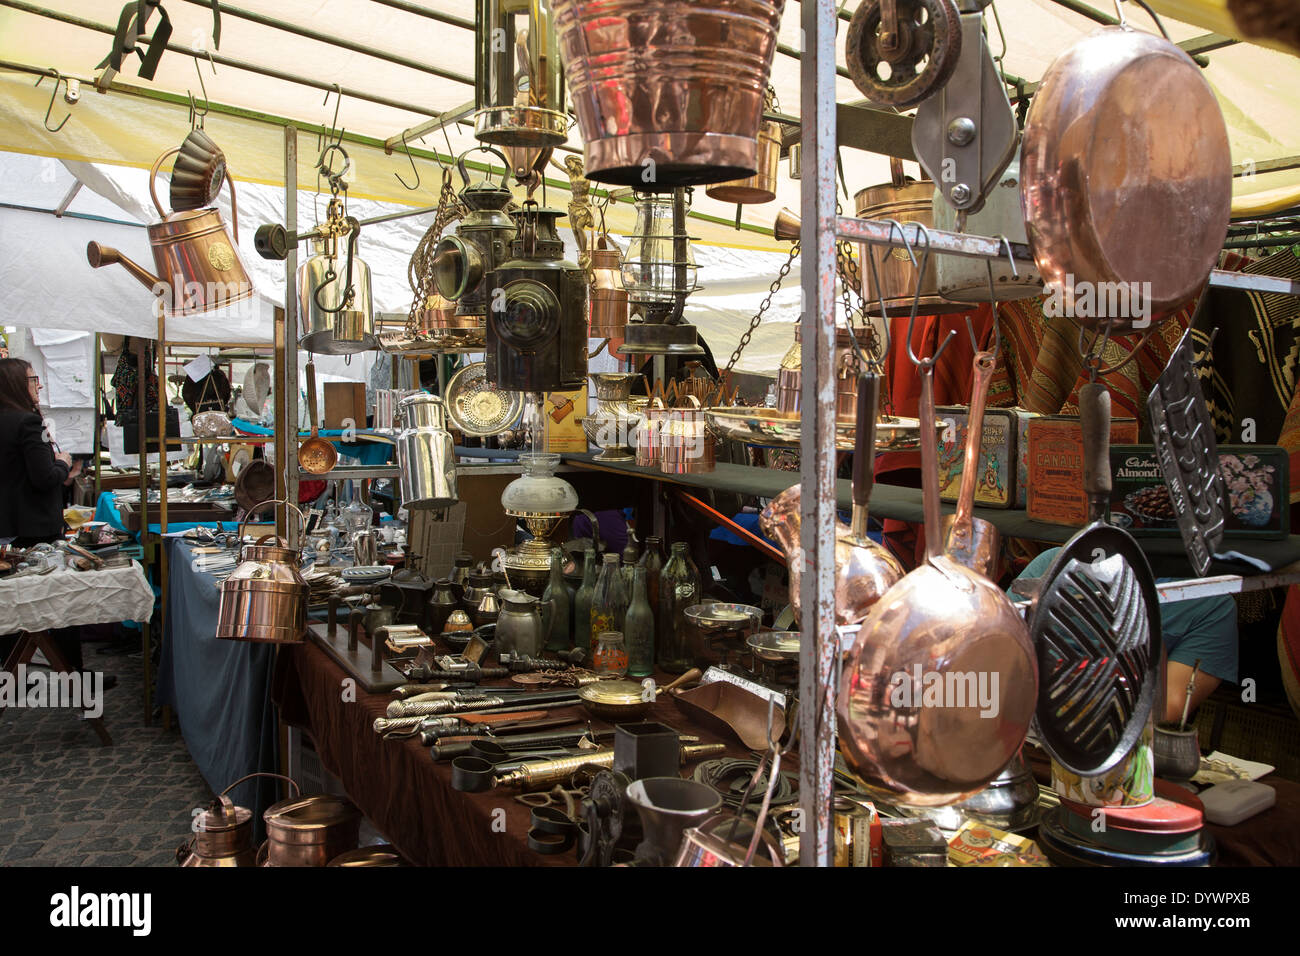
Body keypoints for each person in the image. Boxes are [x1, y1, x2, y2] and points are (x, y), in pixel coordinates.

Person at [1012, 547, 1236, 724]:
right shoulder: (1054, 564)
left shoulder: (1209, 599)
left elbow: (1168, 708)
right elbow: (994, 659)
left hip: (1126, 745)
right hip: (1025, 730)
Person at [0, 357, 96, 678]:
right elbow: (43, 476)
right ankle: (73, 676)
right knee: (59, 602)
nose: (37, 385)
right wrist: (63, 463)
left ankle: (11, 675)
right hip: (36, 527)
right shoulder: (29, 423)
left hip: (9, 528)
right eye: (32, 379)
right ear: (16, 384)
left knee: (12, 605)